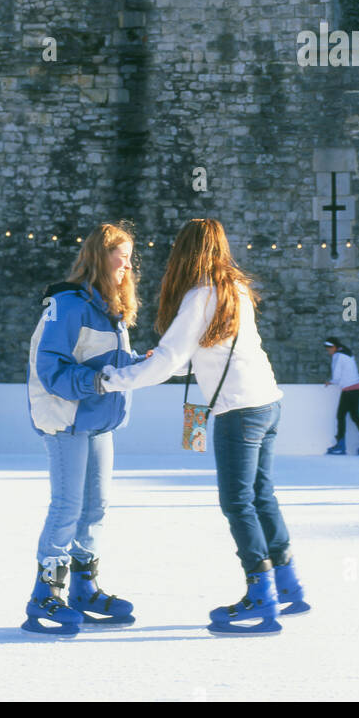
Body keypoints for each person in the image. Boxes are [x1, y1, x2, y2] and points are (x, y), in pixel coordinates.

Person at [100, 217, 305, 637]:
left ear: (186, 251)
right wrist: (171, 359)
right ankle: (287, 583)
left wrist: (111, 379)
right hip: (267, 402)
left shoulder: (200, 294)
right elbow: (209, 351)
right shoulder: (237, 289)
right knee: (261, 496)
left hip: (238, 411)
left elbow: (169, 362)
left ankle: (260, 595)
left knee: (237, 503)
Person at [23, 221, 143, 636]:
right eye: (121, 257)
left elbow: (110, 365)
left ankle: (84, 589)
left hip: (98, 422)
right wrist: (96, 381)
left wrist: (146, 363)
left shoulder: (112, 312)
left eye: (130, 259)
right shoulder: (69, 305)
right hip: (66, 419)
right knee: (67, 507)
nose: (128, 266)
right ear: (99, 257)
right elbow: (51, 368)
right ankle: (45, 596)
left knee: (95, 509)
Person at [324, 337, 359, 455]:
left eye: (328, 349)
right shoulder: (347, 353)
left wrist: (330, 382)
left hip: (348, 390)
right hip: (357, 388)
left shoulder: (337, 356)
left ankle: (340, 446)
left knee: (340, 416)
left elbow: (337, 377)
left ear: (333, 347)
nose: (328, 352)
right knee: (355, 416)